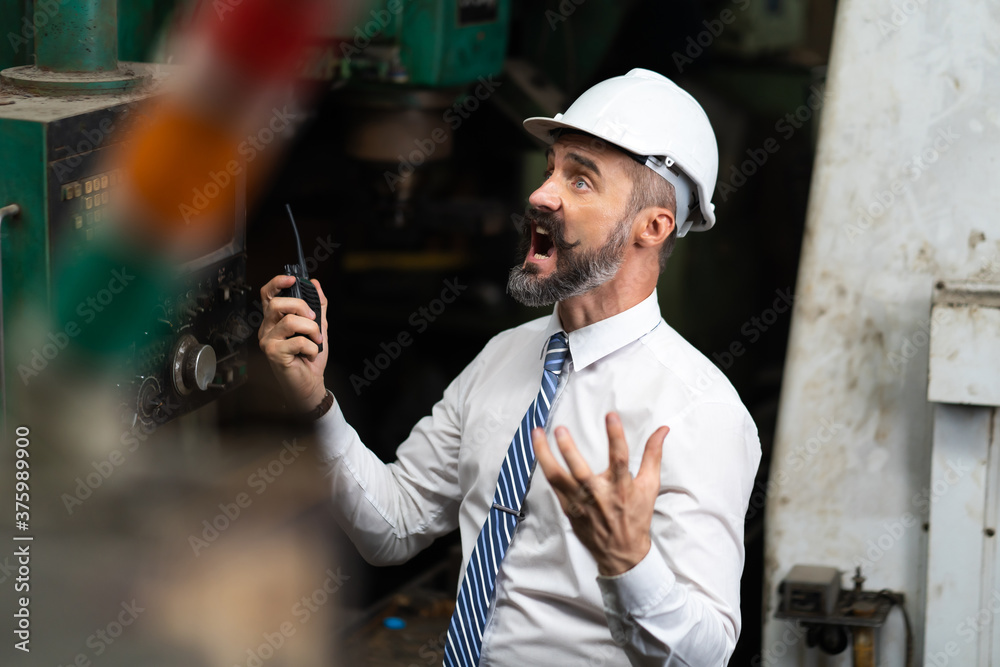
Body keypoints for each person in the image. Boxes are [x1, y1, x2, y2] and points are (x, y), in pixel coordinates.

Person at [258, 69, 761, 666]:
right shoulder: (504, 356)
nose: (541, 195)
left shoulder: (702, 412)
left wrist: (632, 564)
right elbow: (392, 527)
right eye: (551, 168)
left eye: (580, 180)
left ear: (652, 227)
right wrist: (315, 401)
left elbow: (705, 654)